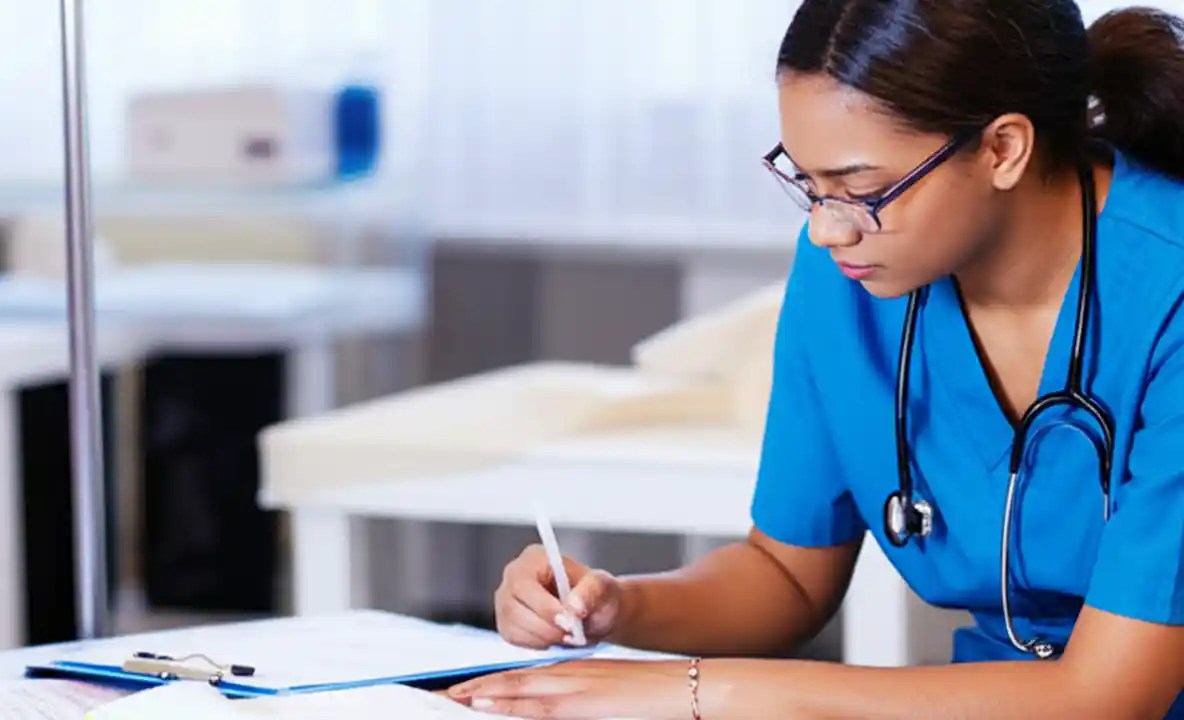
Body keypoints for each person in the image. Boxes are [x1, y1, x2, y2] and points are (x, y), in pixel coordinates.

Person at [446, 1, 1184, 718]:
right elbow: (786, 576)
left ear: (1003, 149)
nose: (827, 229)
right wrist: (615, 605)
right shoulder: (854, 273)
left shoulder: (1168, 289)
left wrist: (705, 692)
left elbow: (1106, 697)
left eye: (861, 189)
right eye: (807, 185)